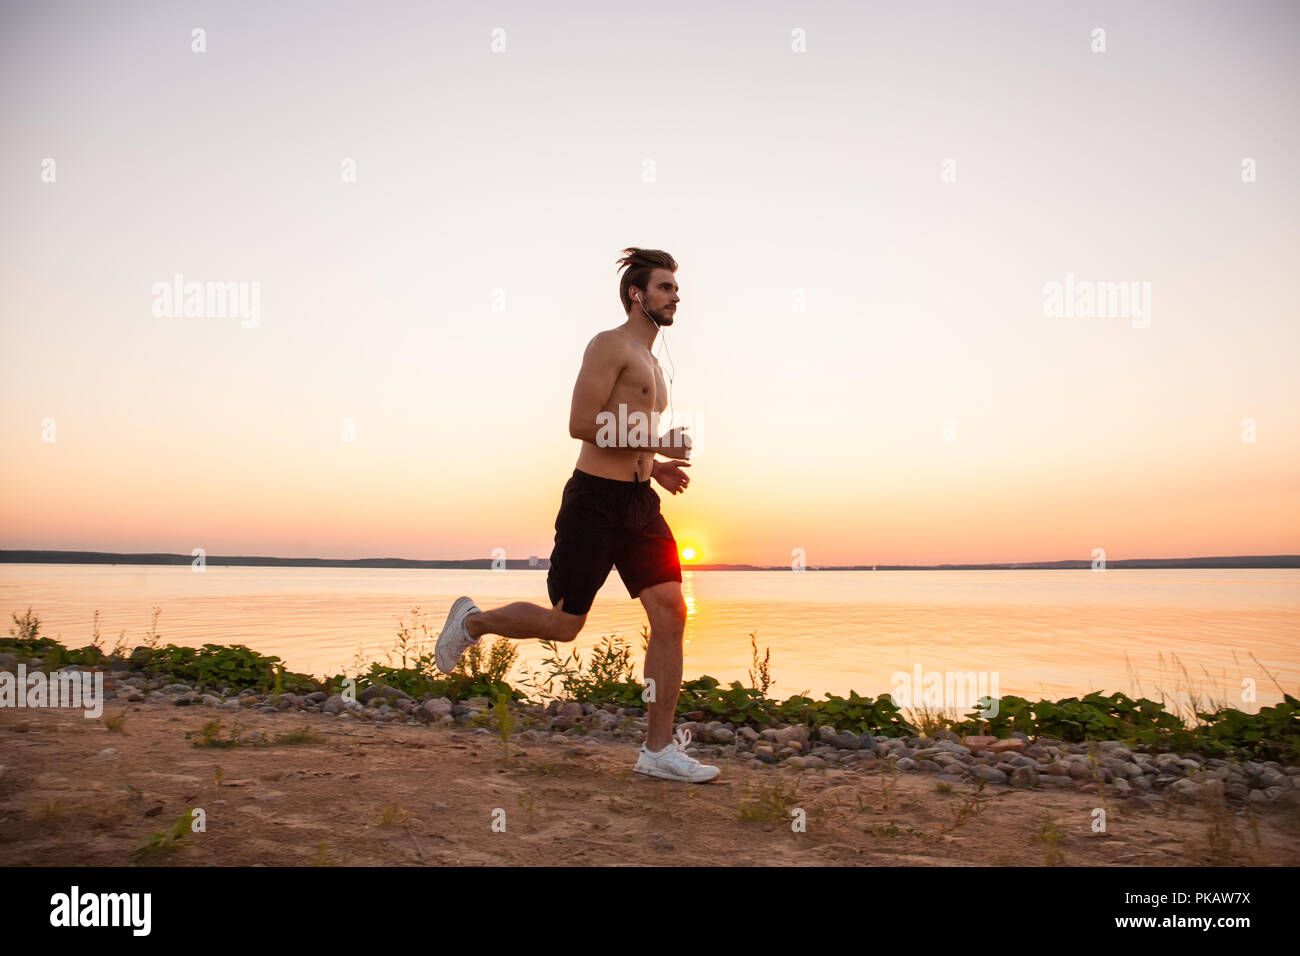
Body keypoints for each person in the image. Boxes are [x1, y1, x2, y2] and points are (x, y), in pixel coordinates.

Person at [434, 247, 719, 783]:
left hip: (639, 506)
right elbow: (582, 423)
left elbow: (624, 429)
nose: (675, 296)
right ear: (637, 294)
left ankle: (658, 751)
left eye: (677, 289)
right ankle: (472, 622)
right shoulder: (609, 345)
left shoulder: (655, 363)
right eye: (665, 288)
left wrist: (653, 466)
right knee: (565, 624)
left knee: (672, 614)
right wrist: (657, 438)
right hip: (594, 502)